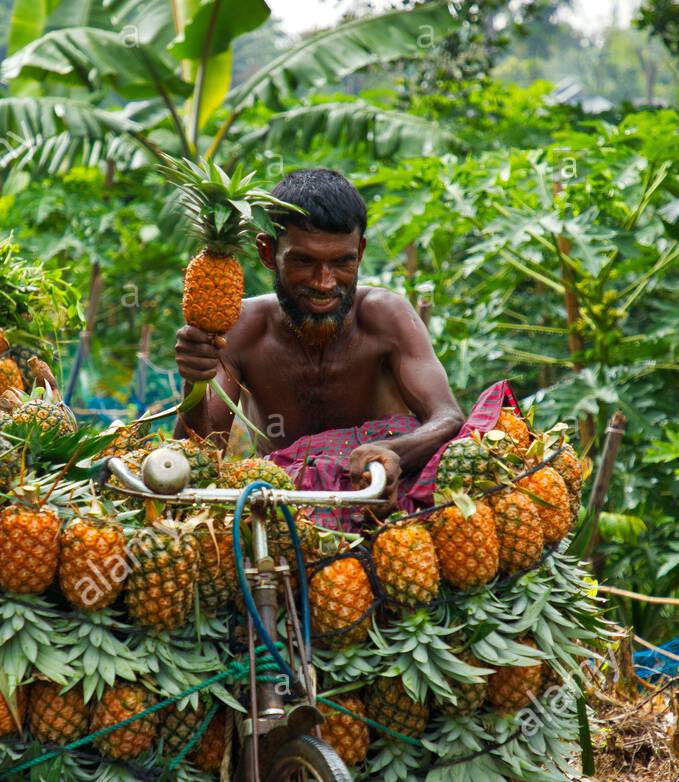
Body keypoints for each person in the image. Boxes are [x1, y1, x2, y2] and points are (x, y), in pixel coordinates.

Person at [174, 168, 473, 523]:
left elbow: (448, 418)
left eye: (342, 262)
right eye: (304, 261)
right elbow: (202, 457)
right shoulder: (239, 330)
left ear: (359, 253)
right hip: (289, 521)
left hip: (385, 511)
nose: (324, 283)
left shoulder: (385, 316)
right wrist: (194, 381)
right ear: (268, 252)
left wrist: (394, 451)